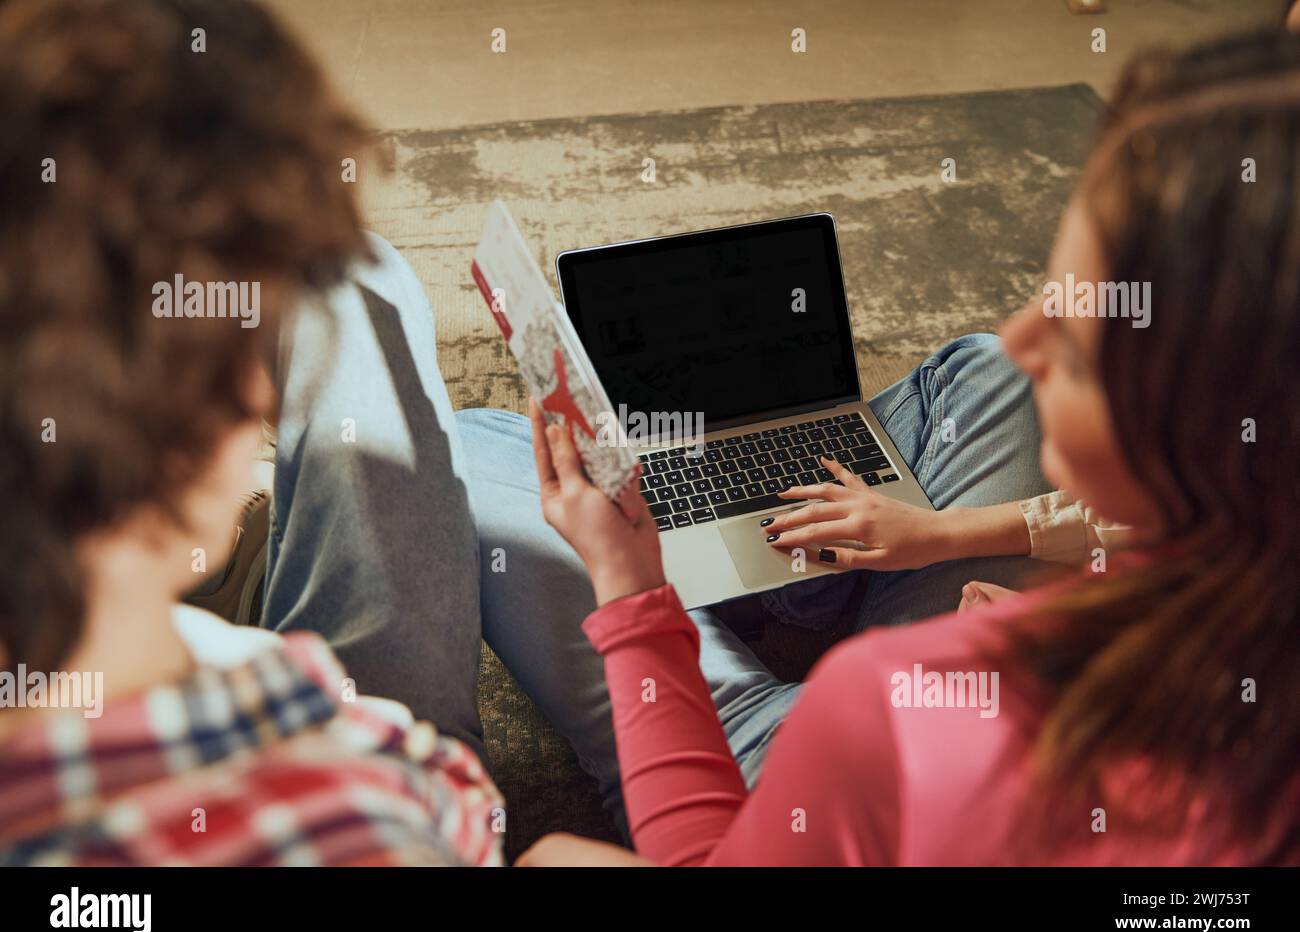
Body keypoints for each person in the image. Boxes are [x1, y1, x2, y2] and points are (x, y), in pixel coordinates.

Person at [515, 27, 1300, 864]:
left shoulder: (886, 705)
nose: (1027, 338)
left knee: (552, 854)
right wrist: (978, 569)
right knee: (982, 366)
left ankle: (754, 687)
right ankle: (815, 603)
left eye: (1075, 336)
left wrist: (635, 593)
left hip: (821, 770)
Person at [0, 0, 501, 866]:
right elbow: (442, 795)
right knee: (355, 281)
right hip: (404, 772)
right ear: (240, 408)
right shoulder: (351, 829)